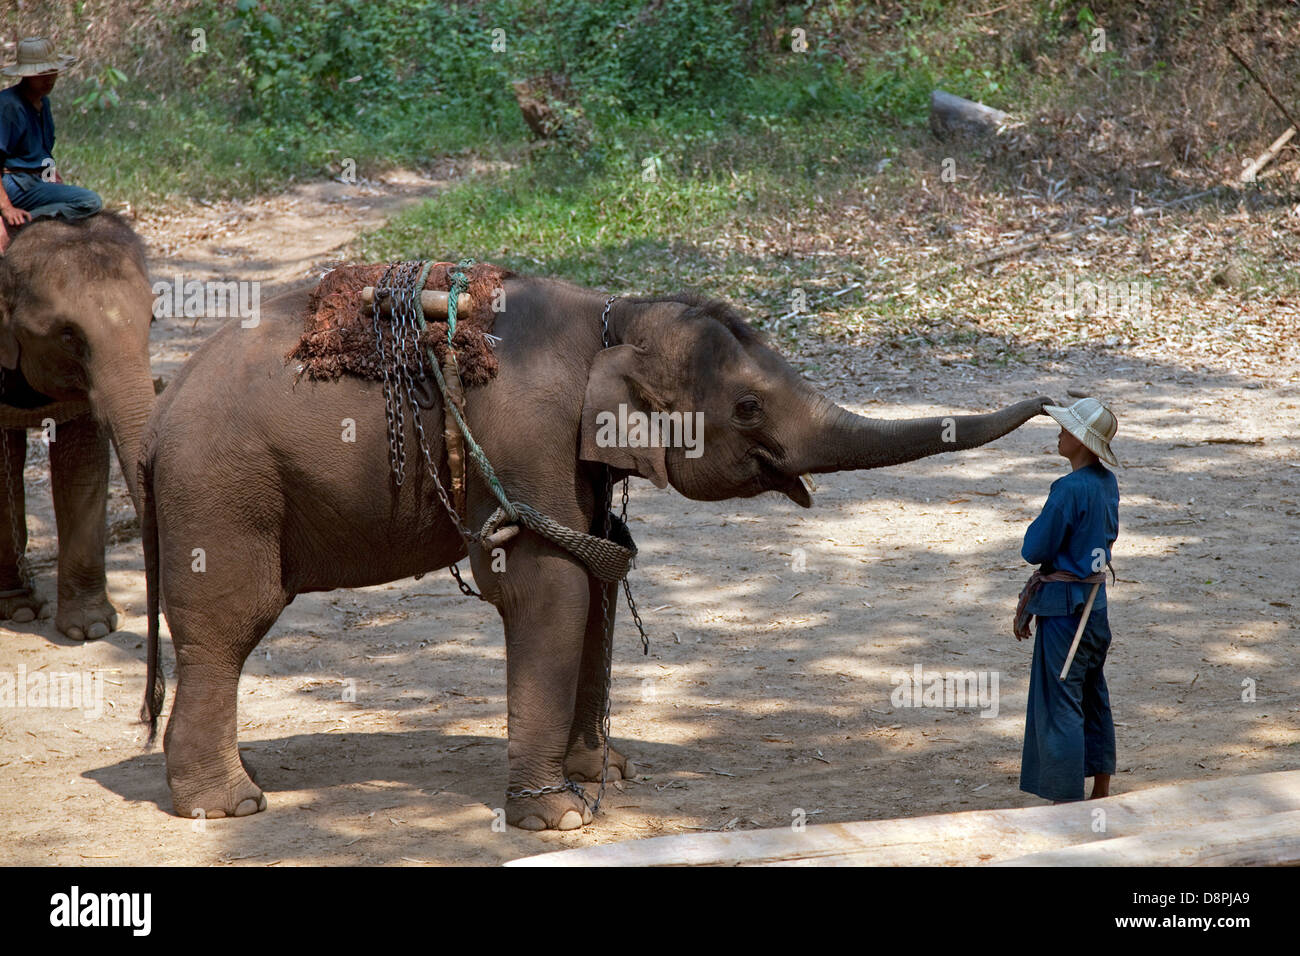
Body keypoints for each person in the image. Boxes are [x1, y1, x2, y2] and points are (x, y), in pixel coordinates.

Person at [1015, 397, 1120, 804]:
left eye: (1065, 429)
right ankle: (1102, 788)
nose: (1058, 432)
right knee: (1093, 694)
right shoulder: (1106, 483)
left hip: (1064, 613)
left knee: (1060, 702)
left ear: (1081, 440)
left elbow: (1034, 547)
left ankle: (1065, 801)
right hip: (1096, 609)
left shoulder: (1067, 489)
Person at [0, 36, 102, 254]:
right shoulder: (8, 106)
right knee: (89, 201)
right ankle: (17, 226)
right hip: (14, 183)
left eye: (52, 71)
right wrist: (6, 208)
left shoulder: (43, 102)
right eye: (41, 74)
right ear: (26, 75)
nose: (49, 79)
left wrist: (51, 177)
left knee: (75, 199)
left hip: (35, 179)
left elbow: (43, 151)